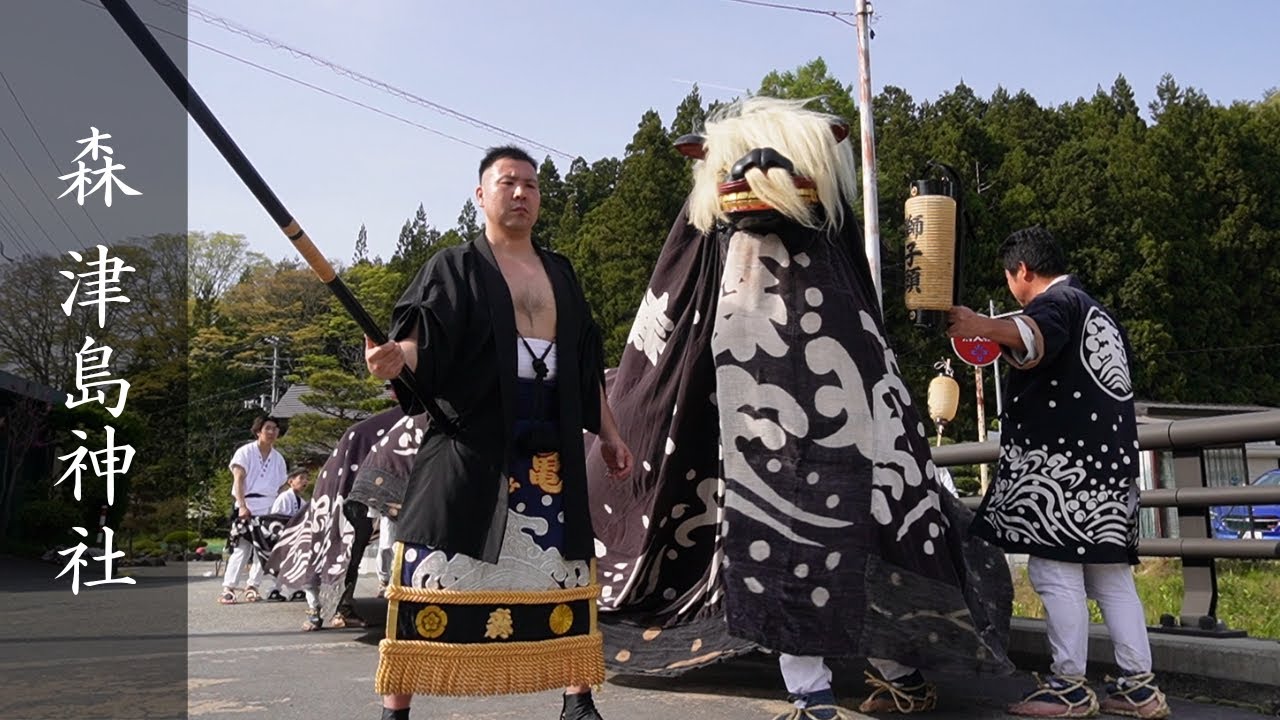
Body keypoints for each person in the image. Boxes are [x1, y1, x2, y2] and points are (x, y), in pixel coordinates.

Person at [583, 98, 1012, 719]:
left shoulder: (825, 251)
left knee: (837, 543)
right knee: (806, 545)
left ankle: (872, 682)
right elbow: (667, 356)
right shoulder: (722, 248)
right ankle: (847, 686)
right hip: (766, 439)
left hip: (823, 437)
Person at [364, 145, 634, 720]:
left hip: (552, 443)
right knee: (430, 563)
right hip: (475, 436)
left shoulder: (561, 270)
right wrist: (398, 358)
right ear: (480, 194)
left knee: (564, 566)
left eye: (531, 185)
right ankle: (397, 709)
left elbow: (587, 365)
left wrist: (610, 434)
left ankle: (577, 699)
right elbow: (424, 339)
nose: (520, 194)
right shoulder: (454, 266)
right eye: (507, 182)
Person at [947, 226, 1169, 719]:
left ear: (1022, 271)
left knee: (1054, 571)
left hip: (1065, 470)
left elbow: (1032, 333)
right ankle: (1140, 686)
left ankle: (1068, 684)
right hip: (1112, 470)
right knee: (1112, 580)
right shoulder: (1101, 314)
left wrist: (979, 324)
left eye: (1011, 279)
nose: (1013, 288)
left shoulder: (1058, 303)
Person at [219, 415, 287, 605]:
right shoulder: (245, 452)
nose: (272, 432)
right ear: (258, 431)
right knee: (242, 548)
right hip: (247, 503)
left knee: (263, 550)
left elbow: (282, 486)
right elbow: (238, 479)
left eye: (275, 429)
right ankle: (229, 587)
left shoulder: (278, 458)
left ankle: (253, 586)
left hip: (269, 507)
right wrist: (241, 505)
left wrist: (278, 509)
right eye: (268, 428)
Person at [266, 468, 310, 602]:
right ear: (291, 481)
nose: (305, 482)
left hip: (293, 537)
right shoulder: (284, 497)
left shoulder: (301, 501)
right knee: (283, 564)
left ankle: (292, 590)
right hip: (282, 536)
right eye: (301, 478)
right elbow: (276, 519)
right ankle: (274, 589)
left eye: (306, 479)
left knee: (292, 564)